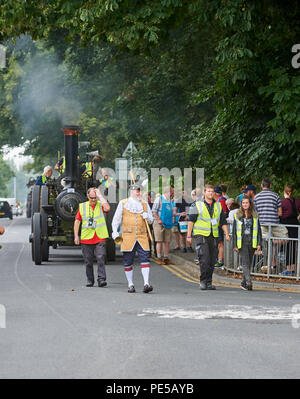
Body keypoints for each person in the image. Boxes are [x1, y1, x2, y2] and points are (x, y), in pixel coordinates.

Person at [112, 184, 154, 293]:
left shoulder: (144, 204)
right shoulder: (123, 203)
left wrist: (147, 216)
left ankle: (146, 283)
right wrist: (115, 232)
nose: (139, 193)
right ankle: (130, 284)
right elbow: (116, 219)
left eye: (140, 191)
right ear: (131, 191)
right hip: (127, 236)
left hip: (142, 236)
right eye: (137, 191)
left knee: (145, 259)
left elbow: (151, 220)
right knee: (128, 261)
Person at [187, 184, 230, 290]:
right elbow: (191, 221)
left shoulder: (218, 205)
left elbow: (223, 221)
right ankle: (203, 281)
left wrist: (227, 234)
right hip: (201, 235)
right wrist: (188, 235)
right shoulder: (196, 205)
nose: (211, 193)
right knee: (204, 259)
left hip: (214, 235)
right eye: (208, 191)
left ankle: (209, 282)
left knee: (212, 260)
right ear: (204, 192)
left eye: (212, 191)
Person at [74, 187, 110, 287]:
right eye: (91, 198)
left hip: (100, 236)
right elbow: (77, 221)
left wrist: (100, 195)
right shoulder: (82, 206)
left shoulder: (100, 204)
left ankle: (101, 279)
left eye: (95, 198)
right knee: (88, 261)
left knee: (101, 257)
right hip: (86, 238)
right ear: (87, 196)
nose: (93, 200)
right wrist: (76, 236)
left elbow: (107, 208)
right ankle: (90, 280)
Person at [232, 196, 262, 291]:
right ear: (241, 204)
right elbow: (234, 231)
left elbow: (259, 231)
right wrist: (235, 245)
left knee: (248, 263)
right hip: (242, 241)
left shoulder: (255, 214)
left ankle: (243, 283)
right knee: (245, 263)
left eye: (247, 203)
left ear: (250, 204)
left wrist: (259, 243)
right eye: (243, 203)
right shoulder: (237, 215)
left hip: (252, 242)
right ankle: (249, 282)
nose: (245, 204)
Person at [280, 185, 300, 274]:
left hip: (286, 224)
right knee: (293, 246)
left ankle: (288, 269)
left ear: (285, 192)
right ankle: (293, 267)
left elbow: (280, 214)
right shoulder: (297, 201)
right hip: (295, 224)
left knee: (288, 246)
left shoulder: (283, 202)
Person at [152, 186, 174, 265]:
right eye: (172, 193)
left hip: (167, 223)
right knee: (159, 241)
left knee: (167, 241)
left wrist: (179, 214)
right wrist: (158, 220)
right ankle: (159, 258)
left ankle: (166, 258)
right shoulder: (159, 199)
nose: (172, 194)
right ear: (167, 192)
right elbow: (154, 211)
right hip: (159, 223)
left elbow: (172, 212)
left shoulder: (170, 201)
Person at [214, 186, 228, 268]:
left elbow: (223, 213)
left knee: (220, 243)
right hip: (216, 225)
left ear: (216, 193)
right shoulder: (216, 200)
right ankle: (218, 259)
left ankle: (220, 260)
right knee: (218, 243)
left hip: (220, 225)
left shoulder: (221, 200)